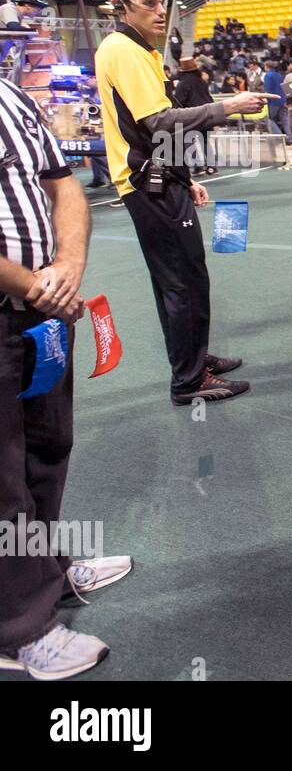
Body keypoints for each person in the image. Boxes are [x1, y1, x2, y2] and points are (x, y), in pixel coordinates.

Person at [0, 77, 135, 680]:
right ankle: (19, 628)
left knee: (47, 448)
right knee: (1, 478)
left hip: (44, 308)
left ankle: (44, 575)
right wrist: (35, 285)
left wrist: (68, 265)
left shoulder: (12, 95)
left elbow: (64, 186)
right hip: (25, 301)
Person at [96, 0, 273, 404]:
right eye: (150, 4)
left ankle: (194, 359)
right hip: (146, 184)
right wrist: (227, 106)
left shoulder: (139, 49)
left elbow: (153, 128)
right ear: (121, 7)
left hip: (158, 179)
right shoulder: (123, 49)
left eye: (163, 1)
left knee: (182, 280)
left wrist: (184, 175)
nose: (162, 11)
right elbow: (156, 122)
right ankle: (189, 381)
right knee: (181, 282)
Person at [172, 58, 217, 175]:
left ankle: (198, 166)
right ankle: (211, 166)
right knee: (205, 141)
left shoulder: (183, 84)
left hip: (191, 116)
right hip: (206, 114)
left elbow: (179, 101)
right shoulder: (201, 81)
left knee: (189, 141)